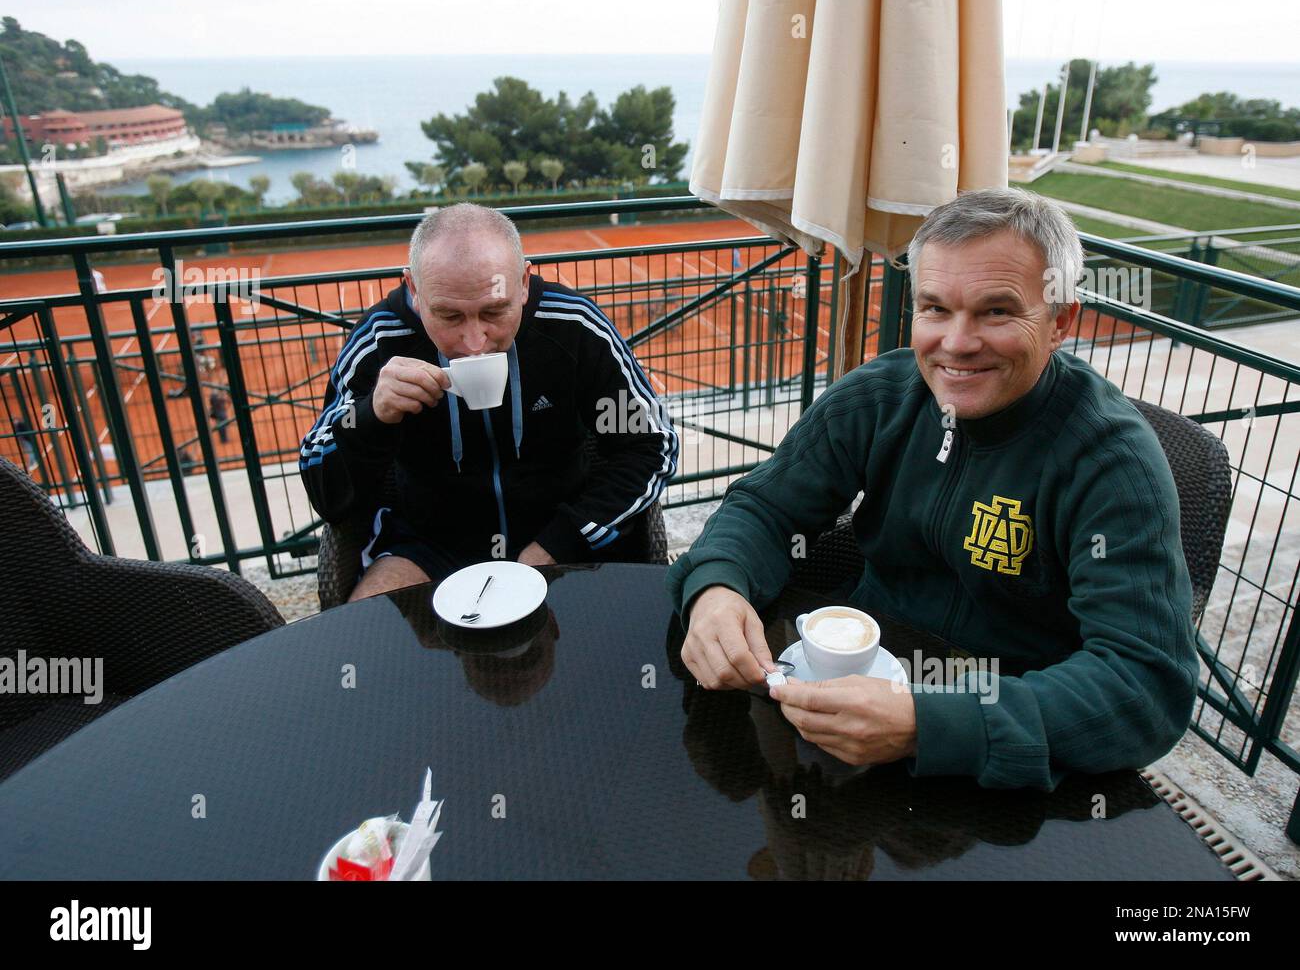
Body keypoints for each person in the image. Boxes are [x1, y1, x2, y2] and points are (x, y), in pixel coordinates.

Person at [666, 187, 1197, 791]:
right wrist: (717, 587)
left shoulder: (1114, 464)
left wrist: (931, 724)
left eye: (996, 312)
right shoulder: (878, 396)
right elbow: (766, 507)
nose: (958, 343)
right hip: (851, 692)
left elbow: (1144, 687)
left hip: (1008, 757)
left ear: (1059, 323)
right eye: (935, 308)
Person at [300, 203, 678, 601]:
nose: (474, 342)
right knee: (372, 626)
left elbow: (651, 443)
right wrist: (372, 417)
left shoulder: (573, 325)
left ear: (524, 282)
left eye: (494, 311)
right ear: (413, 289)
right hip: (427, 546)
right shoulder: (379, 338)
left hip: (559, 535)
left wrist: (561, 541)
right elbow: (324, 490)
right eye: (449, 316)